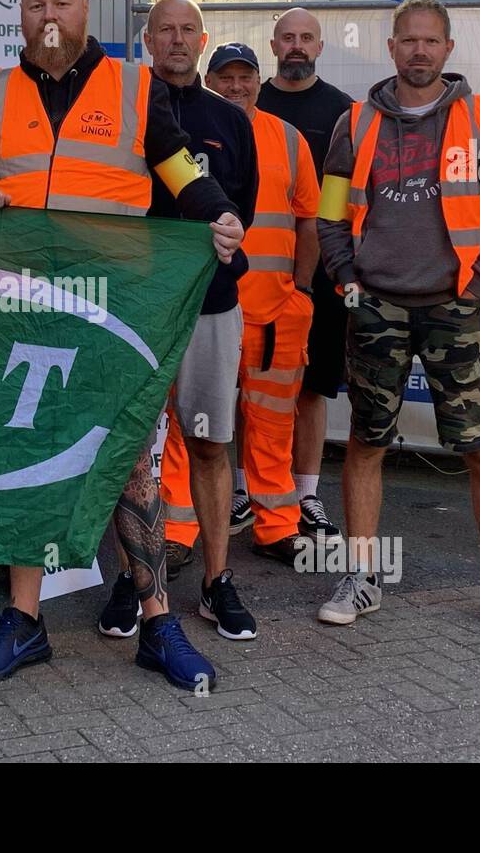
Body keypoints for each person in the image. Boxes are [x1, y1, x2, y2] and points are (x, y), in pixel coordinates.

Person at [0, 0, 244, 692]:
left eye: (62, 2)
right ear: (18, 16)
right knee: (26, 457)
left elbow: (180, 174)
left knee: (132, 466)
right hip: (20, 310)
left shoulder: (137, 88)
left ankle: (157, 622)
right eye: (35, 3)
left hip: (114, 314)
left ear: (85, 12)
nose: (49, 15)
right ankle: (24, 622)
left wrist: (221, 214)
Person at [315, 0, 480, 638]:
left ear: (448, 48)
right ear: (390, 47)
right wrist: (347, 278)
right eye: (407, 40)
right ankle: (360, 579)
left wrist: (477, 285)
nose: (419, 51)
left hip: (453, 306)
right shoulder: (353, 124)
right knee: (365, 442)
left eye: (430, 41)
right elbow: (331, 213)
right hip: (376, 304)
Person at [141, 1, 258, 642]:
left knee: (212, 446)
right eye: (167, 29)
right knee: (133, 453)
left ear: (202, 39)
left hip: (212, 304)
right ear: (148, 38)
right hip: (136, 310)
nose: (177, 40)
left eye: (189, 30)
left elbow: (245, 210)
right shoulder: (130, 108)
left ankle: (217, 581)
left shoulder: (229, 122)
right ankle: (138, 585)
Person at [200, 42, 321, 581]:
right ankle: (182, 532)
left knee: (272, 427)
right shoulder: (188, 132)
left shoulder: (289, 139)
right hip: (208, 311)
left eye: (244, 76)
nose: (236, 86)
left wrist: (302, 292)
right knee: (196, 431)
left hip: (276, 313)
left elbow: (310, 221)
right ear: (210, 80)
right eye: (224, 77)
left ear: (258, 79)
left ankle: (278, 526)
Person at [255, 8, 351, 546]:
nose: (296, 46)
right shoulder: (249, 103)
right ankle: (250, 486)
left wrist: (321, 263)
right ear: (273, 44)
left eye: (306, 38)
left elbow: (336, 192)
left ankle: (306, 491)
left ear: (320, 46)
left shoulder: (341, 111)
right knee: (251, 386)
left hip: (316, 277)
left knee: (311, 388)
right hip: (255, 278)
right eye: (287, 38)